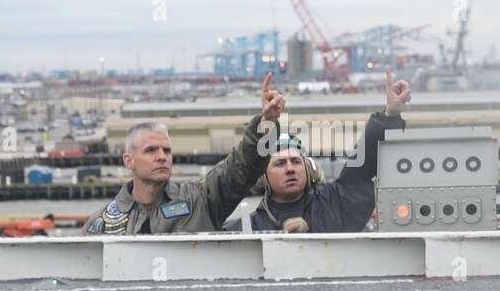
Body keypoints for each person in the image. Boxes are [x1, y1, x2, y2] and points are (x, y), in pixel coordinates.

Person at [84, 72, 284, 235]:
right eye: (151, 150)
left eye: (167, 150)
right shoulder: (102, 224)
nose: (162, 156)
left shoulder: (200, 200)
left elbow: (243, 167)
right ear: (129, 161)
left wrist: (266, 124)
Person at [226, 68, 411, 233]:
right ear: (262, 177)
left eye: (296, 161)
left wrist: (390, 115)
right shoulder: (244, 231)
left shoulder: (336, 203)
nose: (290, 169)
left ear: (310, 168)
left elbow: (362, 167)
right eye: (280, 163)